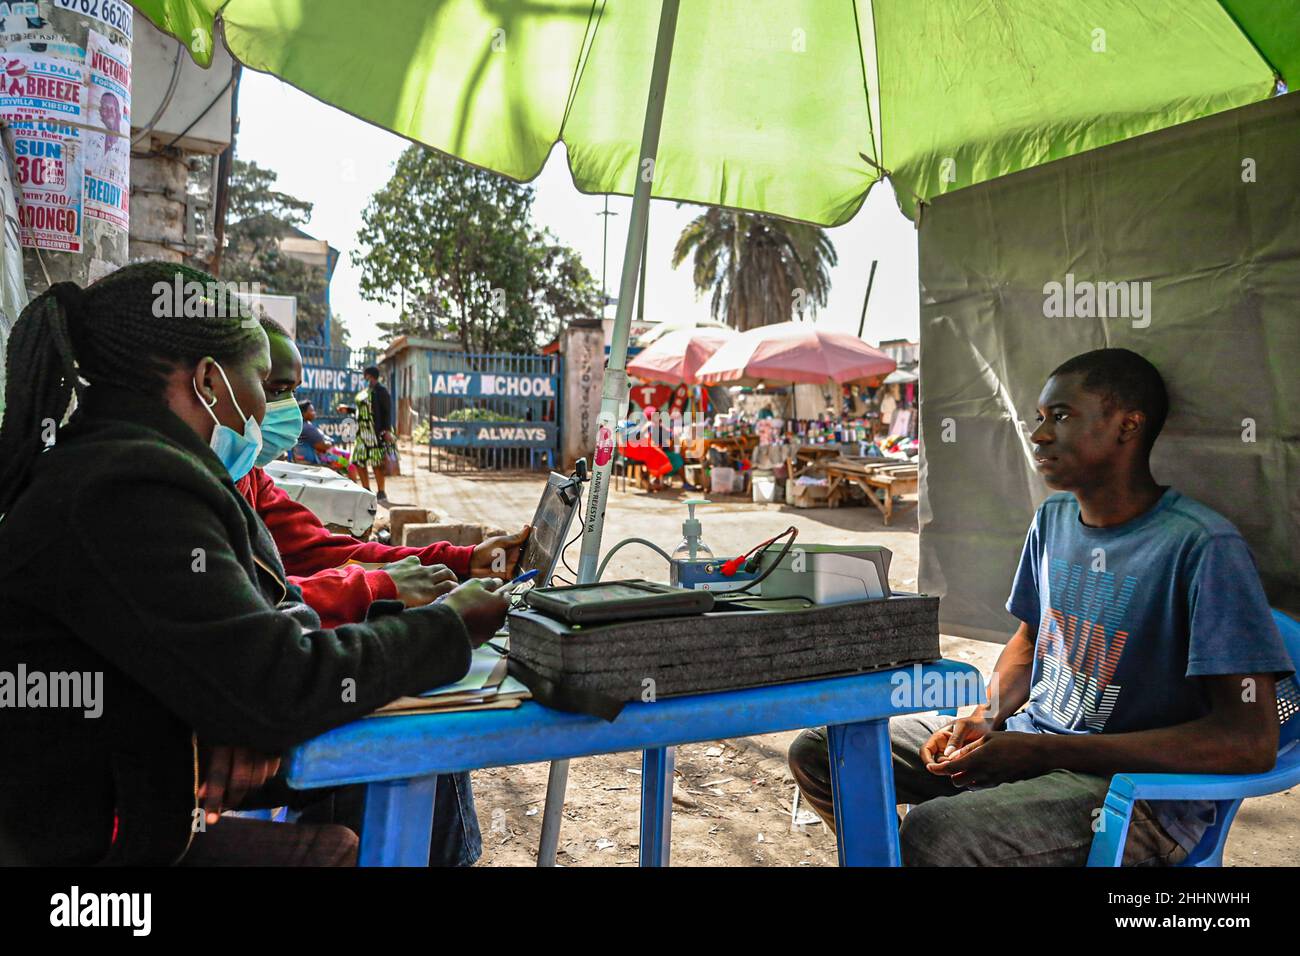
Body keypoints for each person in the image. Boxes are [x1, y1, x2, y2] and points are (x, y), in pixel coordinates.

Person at [0, 263, 509, 866]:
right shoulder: (130, 489)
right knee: (335, 849)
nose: (268, 410)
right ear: (210, 382)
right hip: (82, 846)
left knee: (400, 746)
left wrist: (236, 709)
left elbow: (253, 635)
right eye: (264, 382)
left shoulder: (129, 466)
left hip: (132, 773)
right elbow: (277, 679)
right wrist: (448, 625)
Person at [788, 347, 1293, 866]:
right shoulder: (1052, 520)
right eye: (1039, 417)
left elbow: (1248, 741)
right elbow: (1030, 642)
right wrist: (986, 717)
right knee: (824, 750)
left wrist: (1047, 752)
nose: (1039, 434)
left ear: (1127, 425)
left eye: (1062, 416)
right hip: (1031, 744)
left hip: (1134, 795)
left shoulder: (1202, 547)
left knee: (936, 835)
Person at [244, 318, 531, 865]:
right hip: (231, 732)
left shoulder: (245, 479)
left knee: (425, 703)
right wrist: (383, 589)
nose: (285, 410)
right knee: (410, 706)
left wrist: (461, 559)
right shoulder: (175, 493)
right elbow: (255, 604)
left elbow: (326, 552)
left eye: (291, 392)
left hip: (269, 694)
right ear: (210, 383)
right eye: (274, 389)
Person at [343, 365, 394, 503]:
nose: (364, 379)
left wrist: (387, 431)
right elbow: (362, 411)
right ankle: (366, 489)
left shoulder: (381, 391)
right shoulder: (365, 392)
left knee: (377, 463)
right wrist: (348, 409)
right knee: (358, 461)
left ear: (370, 376)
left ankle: (381, 491)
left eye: (365, 376)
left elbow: (387, 412)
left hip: (374, 433)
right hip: (362, 433)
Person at [289, 400, 345, 470]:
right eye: (312, 411)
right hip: (313, 462)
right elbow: (323, 447)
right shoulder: (307, 428)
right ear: (303, 413)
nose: (314, 413)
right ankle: (352, 480)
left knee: (341, 459)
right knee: (347, 464)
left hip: (299, 459)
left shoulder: (297, 426)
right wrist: (330, 443)